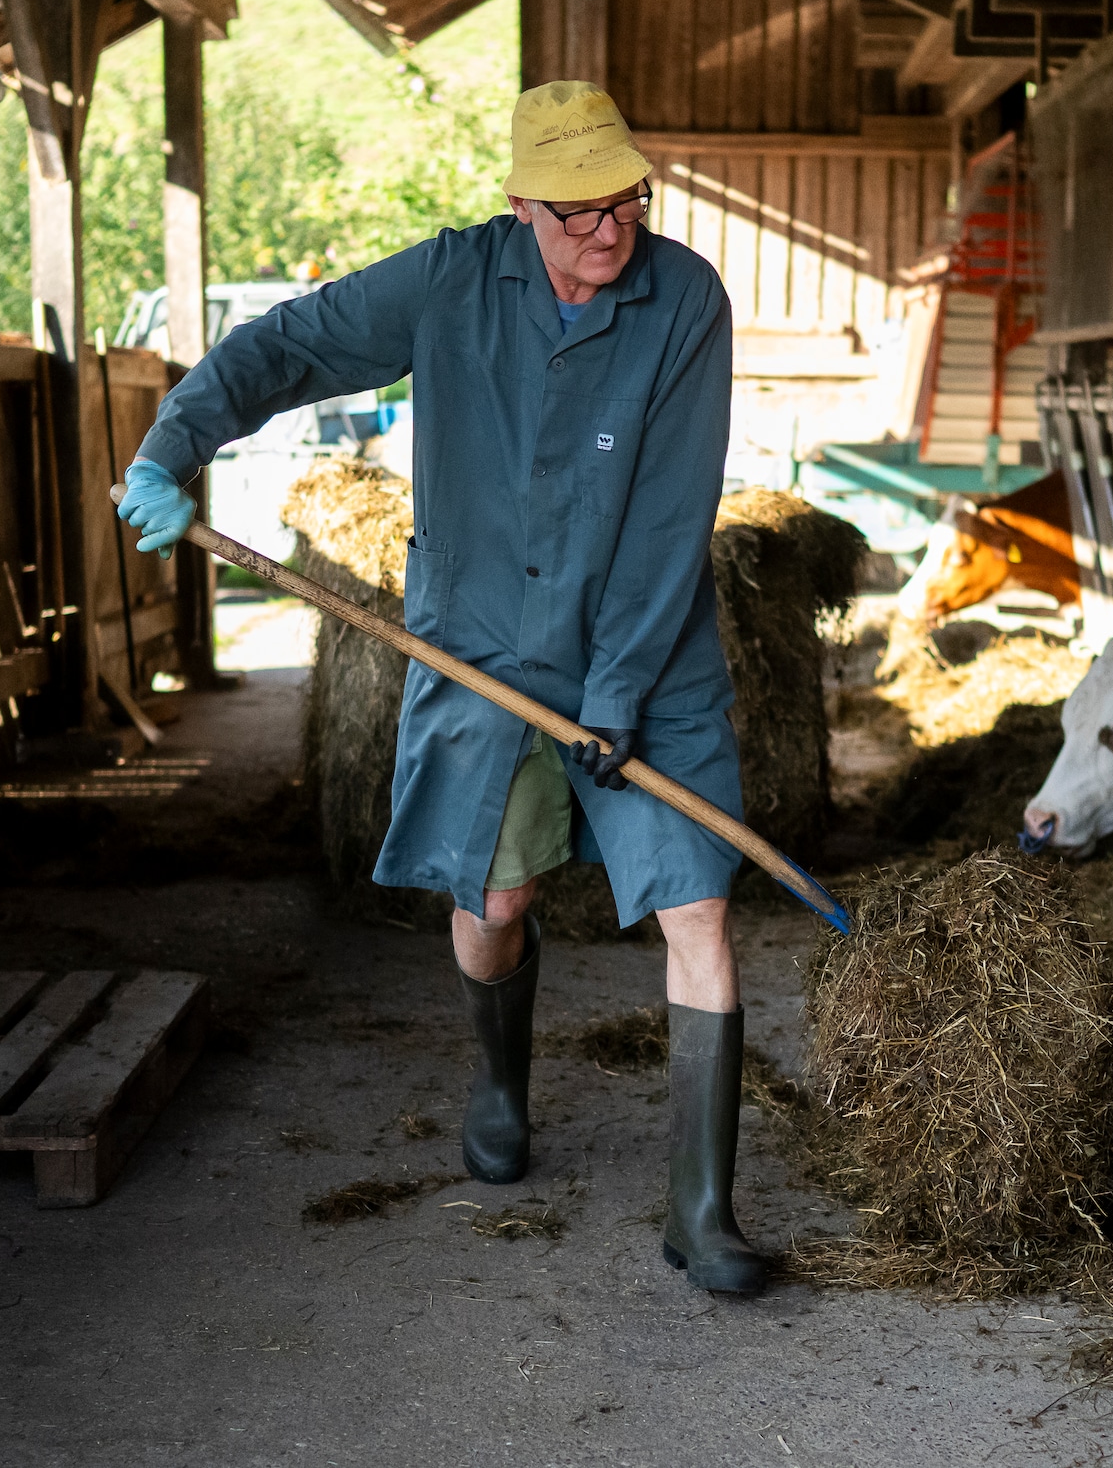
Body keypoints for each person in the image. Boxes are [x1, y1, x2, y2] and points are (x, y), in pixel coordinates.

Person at [113, 81, 763, 1295]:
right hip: (485, 644)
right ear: (518, 205)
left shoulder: (684, 301)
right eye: (573, 212)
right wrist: (172, 443)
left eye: (622, 201)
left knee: (698, 909)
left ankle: (702, 1208)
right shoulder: (450, 282)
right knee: (498, 900)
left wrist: (619, 689)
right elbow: (290, 344)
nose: (606, 233)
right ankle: (501, 1081)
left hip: (650, 647)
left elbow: (673, 518)